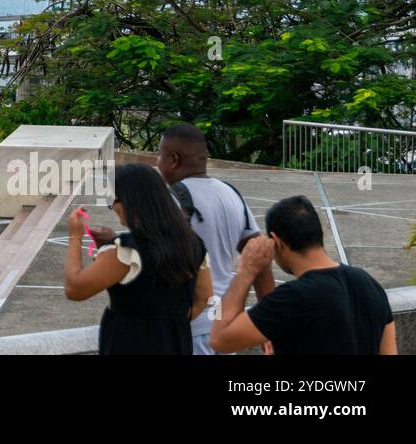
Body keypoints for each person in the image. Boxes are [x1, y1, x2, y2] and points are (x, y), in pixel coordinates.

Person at [210, 195, 396, 354]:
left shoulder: (293, 297)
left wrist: (246, 270)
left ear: (277, 242)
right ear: (318, 232)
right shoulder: (369, 283)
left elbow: (219, 339)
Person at [65, 163, 213, 354]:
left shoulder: (126, 250)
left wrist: (75, 237)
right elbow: (204, 297)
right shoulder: (193, 244)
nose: (113, 208)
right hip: (176, 344)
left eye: (113, 201)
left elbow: (75, 289)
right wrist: (168, 324)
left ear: (129, 201)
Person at [156, 122, 275, 353]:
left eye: (159, 156)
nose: (157, 163)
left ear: (174, 159)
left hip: (190, 326)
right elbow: (261, 260)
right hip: (223, 325)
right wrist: (269, 325)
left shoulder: (171, 199)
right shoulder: (231, 193)